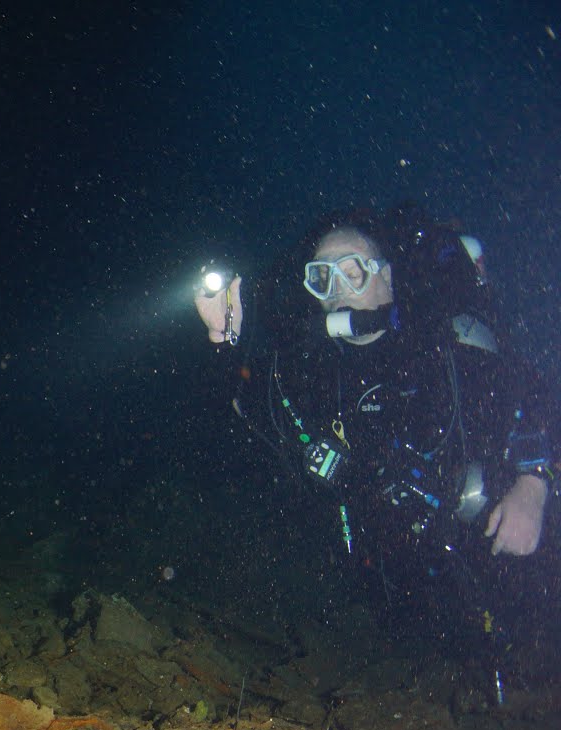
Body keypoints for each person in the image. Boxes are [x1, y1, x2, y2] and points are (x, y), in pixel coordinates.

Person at [194, 206, 554, 688]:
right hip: (394, 581)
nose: (339, 288)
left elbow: (534, 396)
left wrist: (532, 488)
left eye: (352, 271)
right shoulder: (309, 370)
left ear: (385, 276)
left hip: (494, 547)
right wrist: (224, 339)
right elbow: (241, 409)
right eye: (322, 277)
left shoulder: (447, 340)